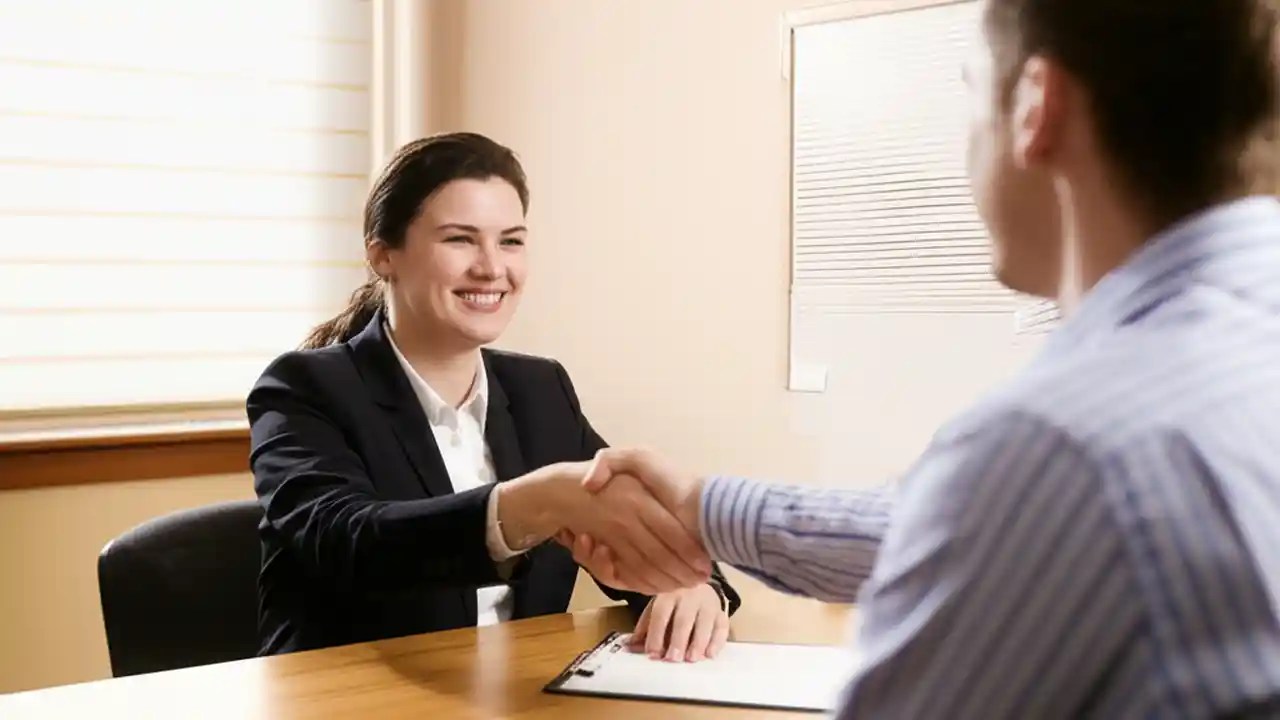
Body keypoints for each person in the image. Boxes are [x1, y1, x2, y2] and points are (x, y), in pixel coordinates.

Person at [566, 0, 1280, 717]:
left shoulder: (1060, 443)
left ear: (1037, 107)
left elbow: (1016, 505)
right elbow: (972, 530)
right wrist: (706, 508)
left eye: (970, 96)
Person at [246, 132, 739, 662]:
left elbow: (631, 518)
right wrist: (529, 504)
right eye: (460, 239)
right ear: (383, 255)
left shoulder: (541, 390)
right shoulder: (304, 388)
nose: (491, 267)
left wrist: (689, 586)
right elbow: (350, 543)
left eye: (511, 240)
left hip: (522, 697)